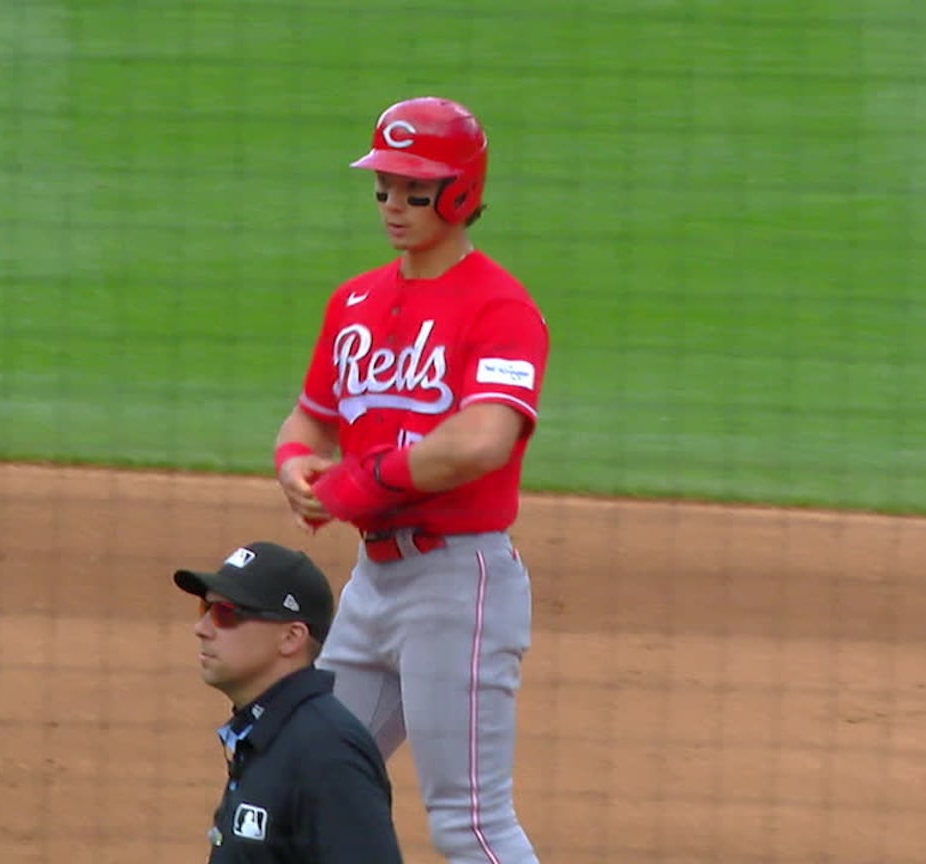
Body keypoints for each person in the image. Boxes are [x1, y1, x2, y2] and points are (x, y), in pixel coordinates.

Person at [272, 96, 548, 864]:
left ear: (460, 193)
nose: (394, 204)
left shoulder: (499, 305)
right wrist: (298, 470)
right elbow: (307, 422)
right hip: (372, 587)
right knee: (299, 782)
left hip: (459, 585)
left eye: (415, 189)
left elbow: (481, 440)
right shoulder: (355, 300)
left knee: (469, 822)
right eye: (385, 186)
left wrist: (362, 484)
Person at [174, 541, 405, 863]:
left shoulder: (327, 749)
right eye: (205, 609)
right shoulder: (268, 734)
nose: (201, 629)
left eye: (225, 613)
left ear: (291, 637)